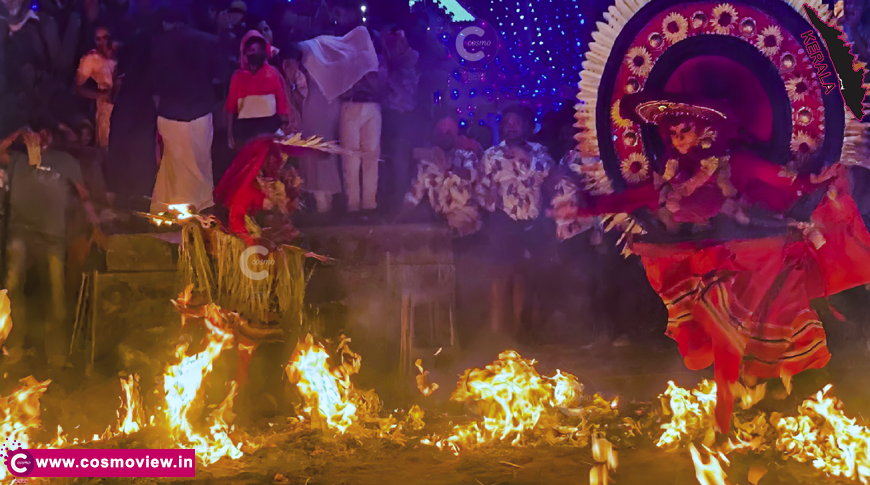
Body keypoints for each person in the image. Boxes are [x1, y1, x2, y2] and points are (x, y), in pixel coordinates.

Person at [572, 90, 870, 430]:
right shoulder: (672, 177)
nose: (678, 137)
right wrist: (584, 207)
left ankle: (727, 422)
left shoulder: (734, 163)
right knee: (706, 346)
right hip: (702, 262)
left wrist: (809, 182)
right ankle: (740, 408)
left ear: (706, 130)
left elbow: (780, 178)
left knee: (731, 338)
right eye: (672, 133)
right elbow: (632, 198)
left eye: (684, 129)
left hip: (746, 260)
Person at [1, 124, 101, 368]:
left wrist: (96, 226)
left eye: (44, 133)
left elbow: (83, 195)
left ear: (51, 137)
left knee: (55, 294)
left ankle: (56, 350)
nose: (39, 138)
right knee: (14, 292)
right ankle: (14, 345)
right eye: (35, 133)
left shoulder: (64, 161)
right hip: (20, 233)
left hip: (52, 236)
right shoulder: (17, 159)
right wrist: (15, 136)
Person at [478, 104, 554, 339]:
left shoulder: (539, 151)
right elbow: (482, 188)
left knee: (523, 276)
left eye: (515, 124)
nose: (510, 128)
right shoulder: (492, 154)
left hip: (530, 224)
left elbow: (547, 173)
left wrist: (525, 158)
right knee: (499, 276)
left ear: (526, 127)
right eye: (506, 124)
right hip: (502, 222)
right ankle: (495, 333)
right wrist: (488, 201)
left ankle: (520, 332)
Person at [146, 7, 223, 214]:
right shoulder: (209, 41)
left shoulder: (160, 43)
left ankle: (175, 211)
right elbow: (219, 78)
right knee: (200, 162)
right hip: (200, 112)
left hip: (170, 113)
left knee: (174, 164)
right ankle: (199, 208)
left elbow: (153, 83)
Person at [331, 1, 382, 216]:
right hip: (351, 103)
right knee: (352, 157)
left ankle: (368, 205)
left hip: (370, 103)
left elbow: (380, 73)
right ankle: (354, 205)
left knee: (369, 156)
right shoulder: (340, 40)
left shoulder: (374, 38)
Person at [400, 113, 483, 235]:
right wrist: (401, 215)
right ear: (434, 135)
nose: (445, 136)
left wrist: (447, 168)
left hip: (466, 218)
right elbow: (414, 194)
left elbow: (471, 174)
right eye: (441, 132)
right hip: (440, 219)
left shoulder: (467, 156)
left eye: (450, 132)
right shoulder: (426, 162)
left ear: (456, 135)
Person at [226, 31, 291, 150]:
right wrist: (229, 133)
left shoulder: (273, 74)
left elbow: (282, 104)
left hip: (269, 130)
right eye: (250, 49)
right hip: (243, 133)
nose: (253, 52)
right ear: (244, 52)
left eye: (256, 49)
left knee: (269, 166)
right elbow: (231, 107)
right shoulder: (237, 77)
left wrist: (285, 126)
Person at [379, 27, 420, 211]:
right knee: (389, 160)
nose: (393, 46)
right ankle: (391, 201)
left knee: (400, 160)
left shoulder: (405, 64)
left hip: (402, 118)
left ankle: (399, 203)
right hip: (390, 117)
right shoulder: (393, 62)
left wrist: (388, 81)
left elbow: (406, 96)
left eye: (396, 43)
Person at [76, 25, 117, 150]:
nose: (102, 42)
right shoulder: (90, 59)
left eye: (105, 37)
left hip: (124, 104)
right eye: (98, 38)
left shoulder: (119, 52)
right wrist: (100, 95)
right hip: (105, 107)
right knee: (106, 146)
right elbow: (78, 87)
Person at [279, 44, 308, 134]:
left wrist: (293, 85)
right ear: (284, 64)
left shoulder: (298, 80)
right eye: (288, 63)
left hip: (295, 131)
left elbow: (301, 106)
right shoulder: (276, 80)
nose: (295, 68)